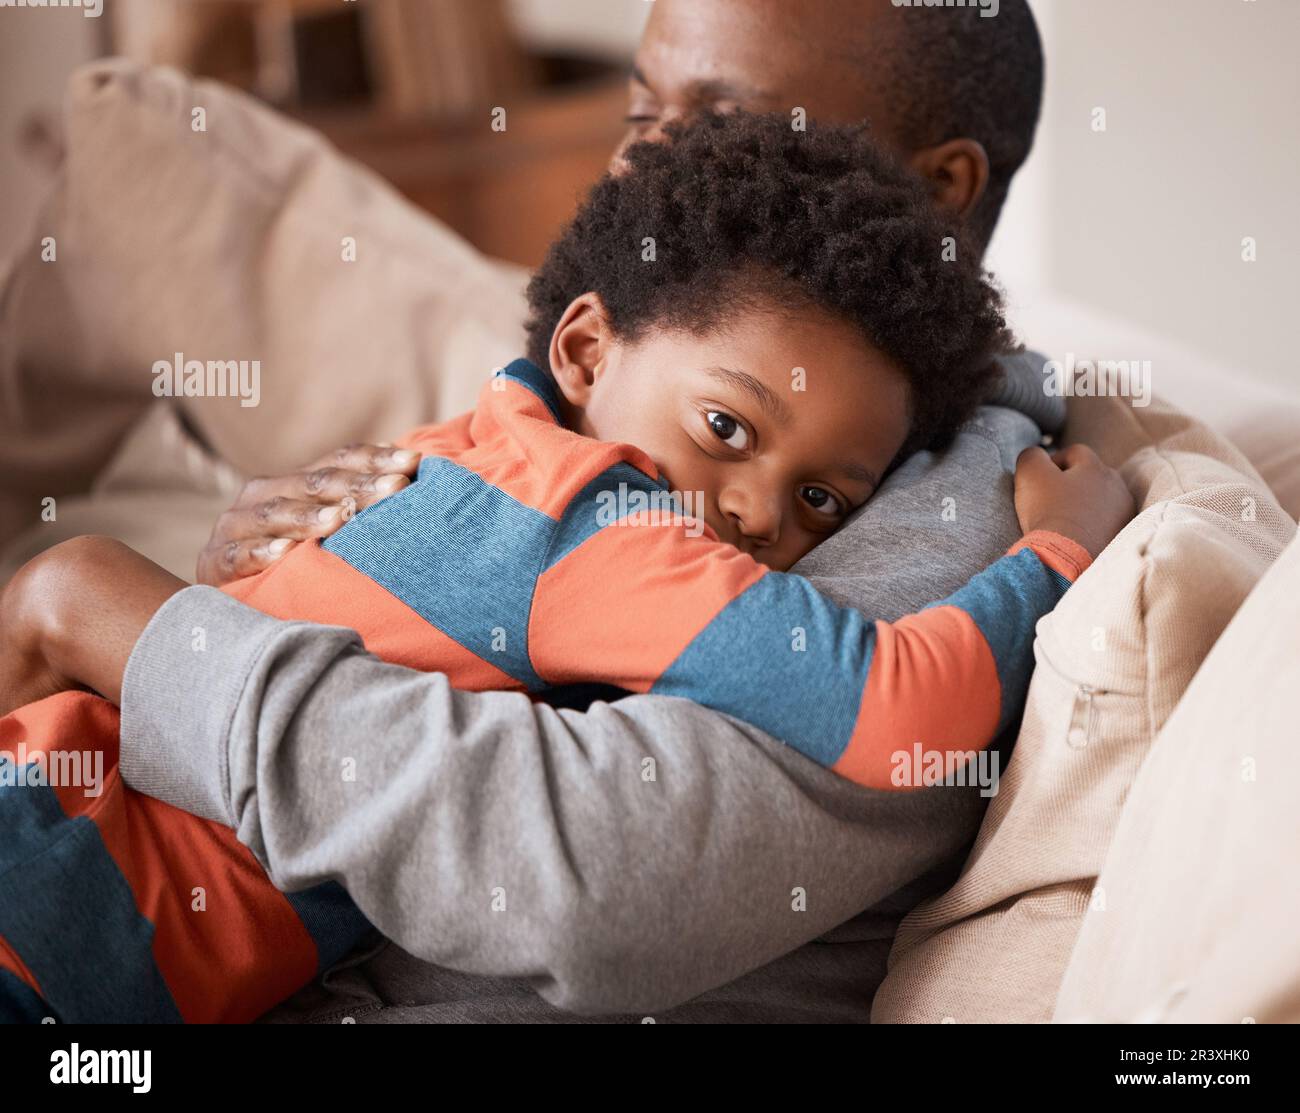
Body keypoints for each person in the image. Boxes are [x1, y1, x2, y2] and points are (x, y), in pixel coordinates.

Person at [2, 1, 1066, 1021]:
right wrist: (250, 592)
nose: (641, 164)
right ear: (583, 348)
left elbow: (605, 888)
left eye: (726, 117)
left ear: (940, 186)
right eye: (640, 111)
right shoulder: (597, 438)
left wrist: (157, 639)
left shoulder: (961, 500)